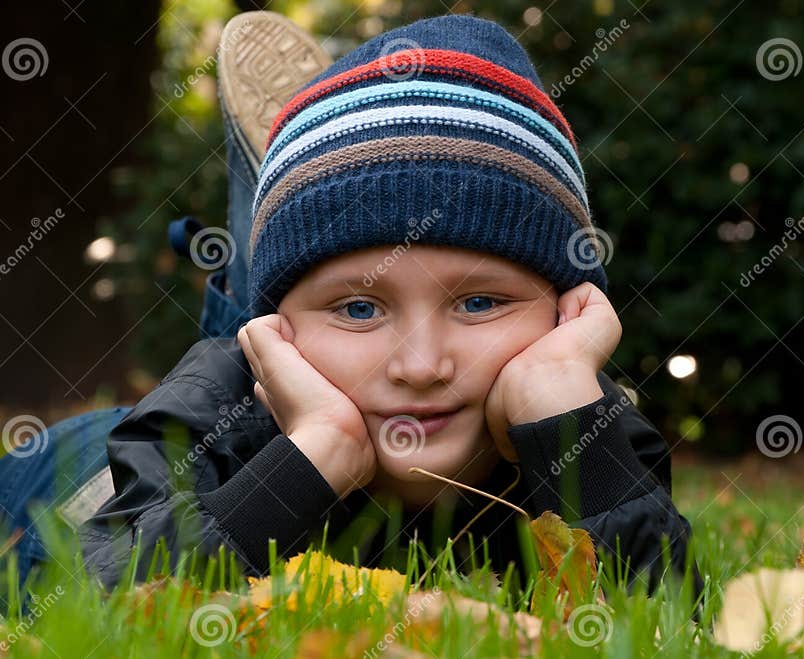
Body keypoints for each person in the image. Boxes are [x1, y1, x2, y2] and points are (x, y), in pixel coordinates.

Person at [21, 12, 705, 612]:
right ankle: (257, 262)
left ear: (564, 316)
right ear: (278, 337)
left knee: (298, 286)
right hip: (73, 470)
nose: (420, 366)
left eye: (479, 301)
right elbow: (104, 602)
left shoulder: (582, 413)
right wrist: (314, 452)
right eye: (359, 307)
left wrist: (568, 428)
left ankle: (284, 237)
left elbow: (666, 614)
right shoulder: (205, 408)